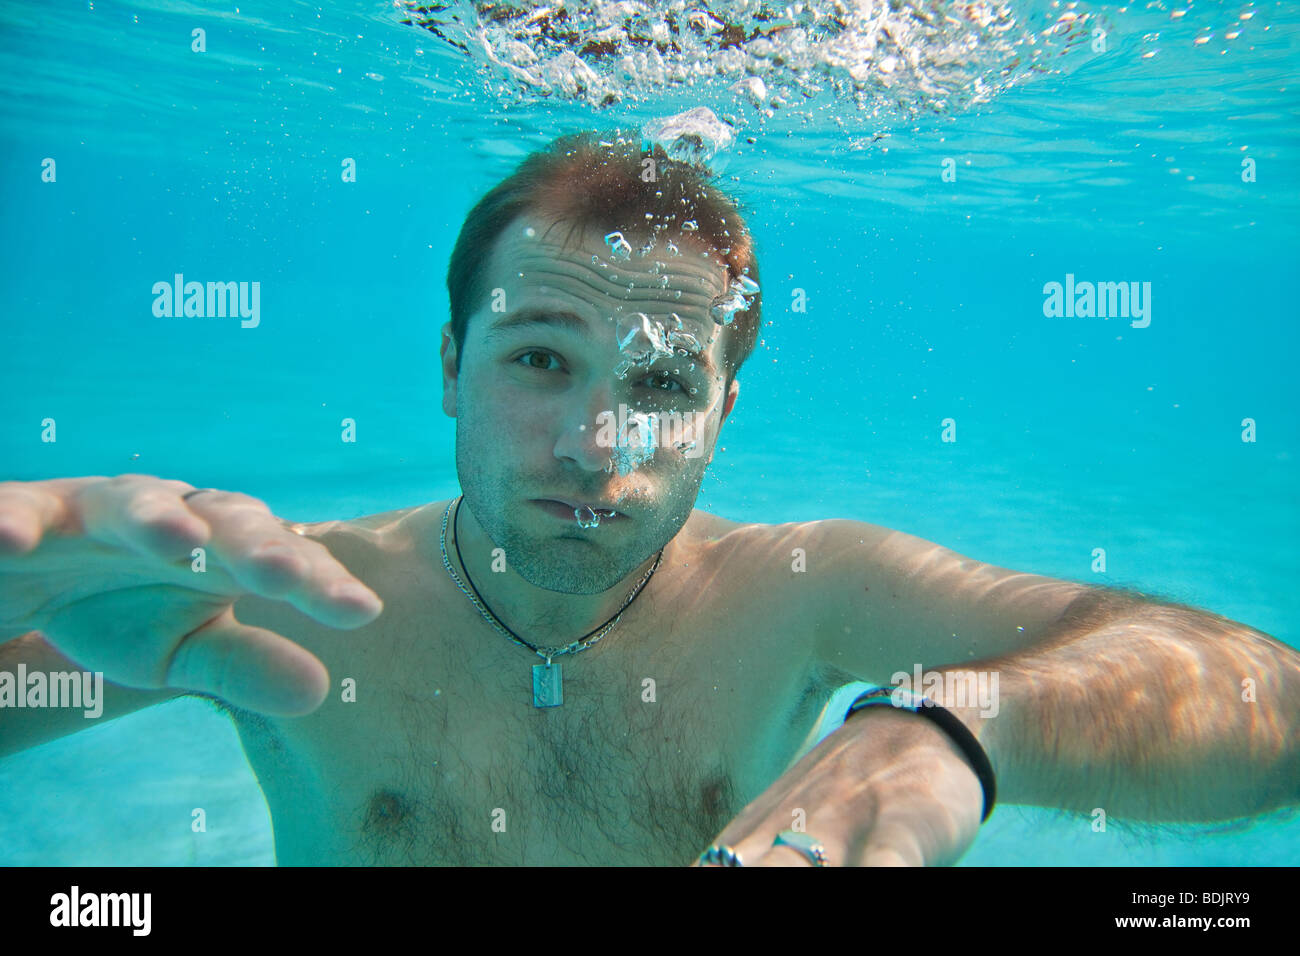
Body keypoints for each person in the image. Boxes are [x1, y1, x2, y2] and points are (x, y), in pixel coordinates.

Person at [1, 130, 1296, 866]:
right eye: (542, 359)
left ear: (726, 414)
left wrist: (964, 727)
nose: (593, 446)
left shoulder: (800, 594)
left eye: (666, 382)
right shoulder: (282, 598)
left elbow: (1268, 703)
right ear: (451, 369)